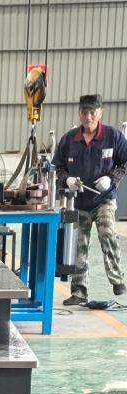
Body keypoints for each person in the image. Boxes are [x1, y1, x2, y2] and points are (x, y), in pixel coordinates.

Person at [52, 94, 127, 305]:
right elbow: (58, 167)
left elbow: (125, 162)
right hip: (79, 202)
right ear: (79, 114)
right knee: (78, 244)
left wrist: (111, 178)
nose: (88, 116)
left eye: (92, 112)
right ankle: (79, 292)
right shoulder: (69, 139)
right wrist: (66, 180)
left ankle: (117, 279)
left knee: (107, 231)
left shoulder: (113, 136)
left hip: (104, 199)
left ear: (100, 113)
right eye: (84, 112)